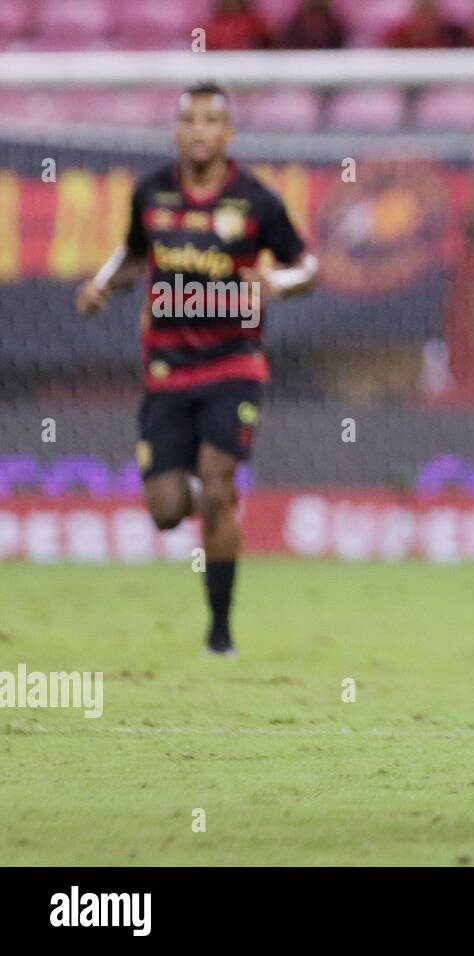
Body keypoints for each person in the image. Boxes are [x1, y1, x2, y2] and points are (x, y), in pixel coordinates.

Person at [75, 83, 318, 655]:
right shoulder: (151, 192)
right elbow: (135, 252)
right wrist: (104, 285)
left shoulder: (256, 200)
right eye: (189, 119)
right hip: (166, 366)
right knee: (164, 512)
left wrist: (277, 283)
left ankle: (220, 630)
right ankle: (187, 489)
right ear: (177, 130)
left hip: (233, 363)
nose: (200, 129)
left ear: (228, 133)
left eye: (212, 119)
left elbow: (307, 265)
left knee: (217, 488)